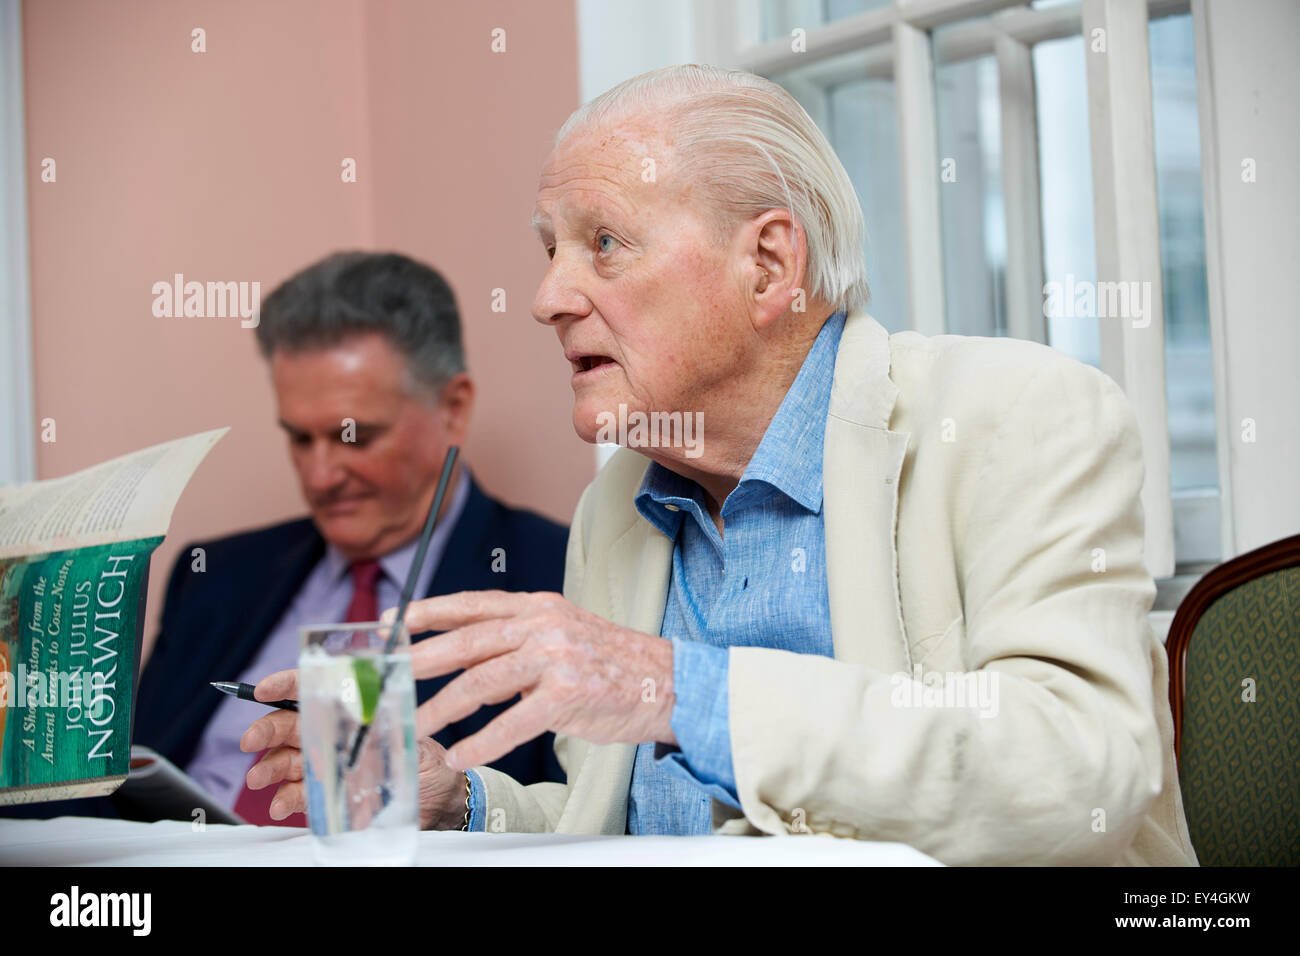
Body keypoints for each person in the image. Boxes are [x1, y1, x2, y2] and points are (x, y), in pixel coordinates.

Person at [240, 67, 1197, 864]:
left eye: (602, 243)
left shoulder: (1016, 417)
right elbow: (615, 822)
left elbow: (1082, 772)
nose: (545, 297)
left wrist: (674, 688)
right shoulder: (617, 507)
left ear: (770, 266)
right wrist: (464, 806)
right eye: (548, 250)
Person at [1, 252, 567, 824]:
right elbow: (110, 784)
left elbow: (588, 817)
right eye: (299, 438)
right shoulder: (213, 577)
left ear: (453, 409)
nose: (320, 477)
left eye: (354, 436)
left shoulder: (557, 577)